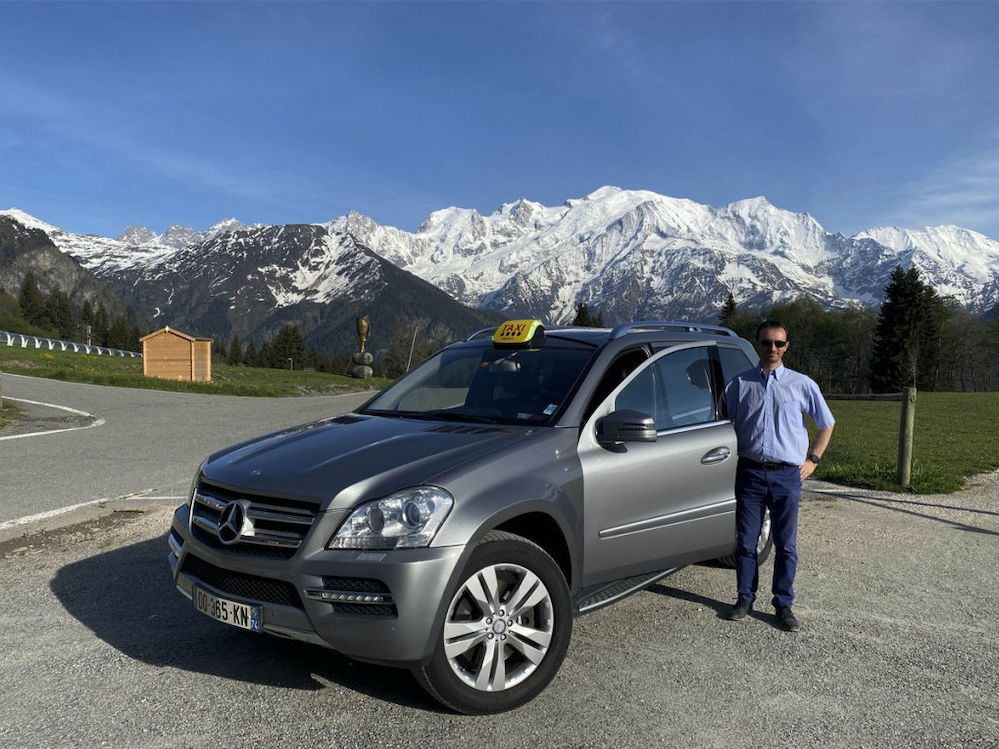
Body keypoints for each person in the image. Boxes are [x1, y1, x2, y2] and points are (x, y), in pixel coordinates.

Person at [724, 320, 835, 632]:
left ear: (787, 347)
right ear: (757, 344)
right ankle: (744, 598)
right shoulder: (738, 385)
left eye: (778, 343)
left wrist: (813, 460)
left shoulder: (802, 385)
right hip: (749, 472)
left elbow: (826, 423)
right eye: (766, 342)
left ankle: (783, 604)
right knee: (746, 543)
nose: (772, 348)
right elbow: (725, 427)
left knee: (786, 545)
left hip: (787, 475)